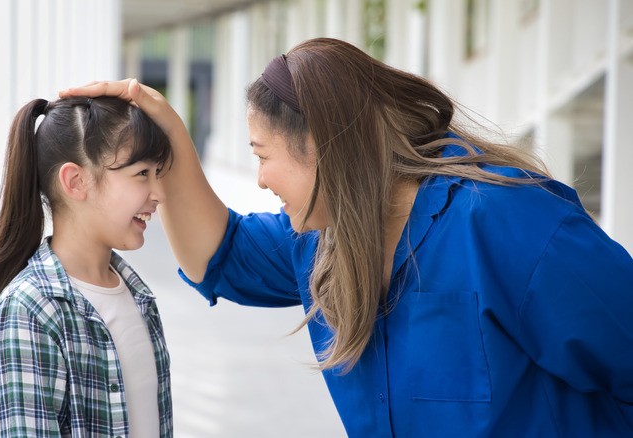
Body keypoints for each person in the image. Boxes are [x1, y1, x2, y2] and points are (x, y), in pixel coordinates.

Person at [61, 38, 633, 437]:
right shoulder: (323, 243)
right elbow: (222, 255)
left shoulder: (506, 221)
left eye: (262, 155)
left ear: (326, 146)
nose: (259, 178)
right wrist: (170, 131)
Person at [0, 96, 173, 437]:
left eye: (157, 173)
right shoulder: (29, 310)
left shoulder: (138, 296)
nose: (158, 193)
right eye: (142, 173)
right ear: (76, 182)